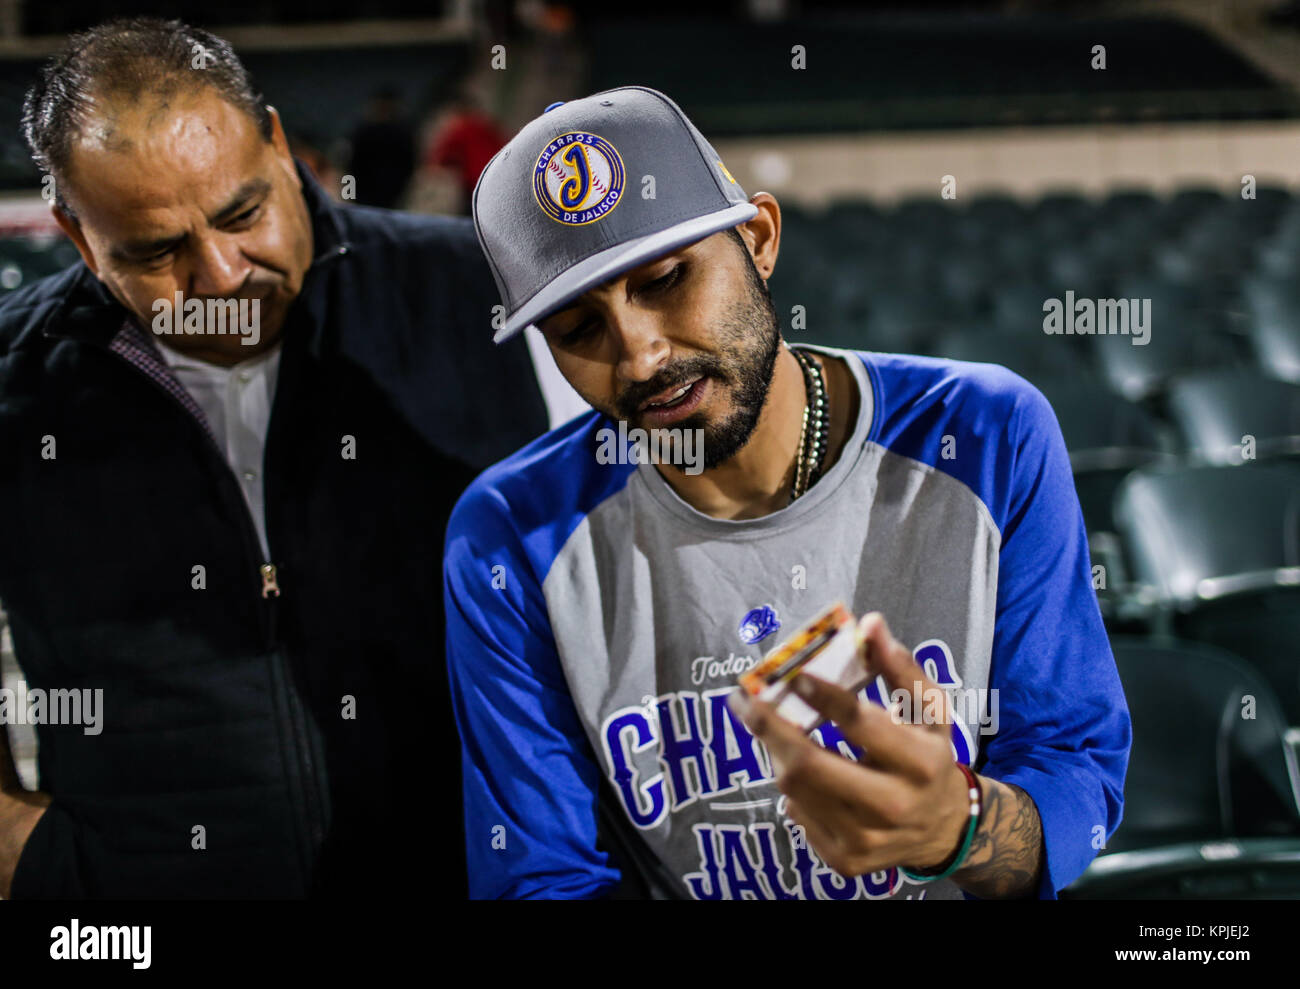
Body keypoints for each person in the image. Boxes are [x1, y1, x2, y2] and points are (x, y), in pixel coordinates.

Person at [445, 86, 1132, 899]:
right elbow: (542, 878)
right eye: (578, 330)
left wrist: (962, 828)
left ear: (759, 238)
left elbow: (1073, 768)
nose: (638, 356)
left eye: (665, 279)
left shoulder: (986, 433)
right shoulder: (509, 534)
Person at [0, 17, 561, 898]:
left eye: (242, 212)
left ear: (278, 144)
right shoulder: (11, 384)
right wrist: (32, 863)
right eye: (156, 251)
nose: (222, 275)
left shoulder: (486, 293)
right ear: (76, 237)